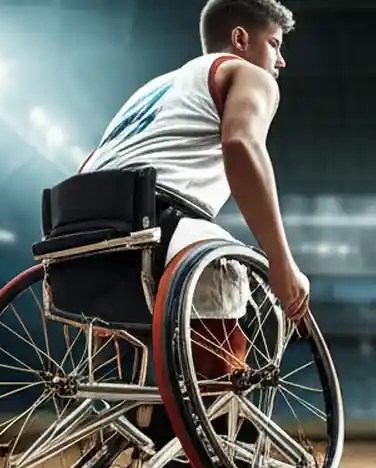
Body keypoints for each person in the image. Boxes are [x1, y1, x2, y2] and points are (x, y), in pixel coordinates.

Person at [80, 0, 309, 328]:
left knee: (131, 374)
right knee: (228, 274)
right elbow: (241, 144)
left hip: (75, 233)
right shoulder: (249, 74)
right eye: (274, 44)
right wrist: (281, 261)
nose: (281, 61)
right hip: (150, 222)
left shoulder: (152, 89)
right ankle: (220, 378)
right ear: (241, 39)